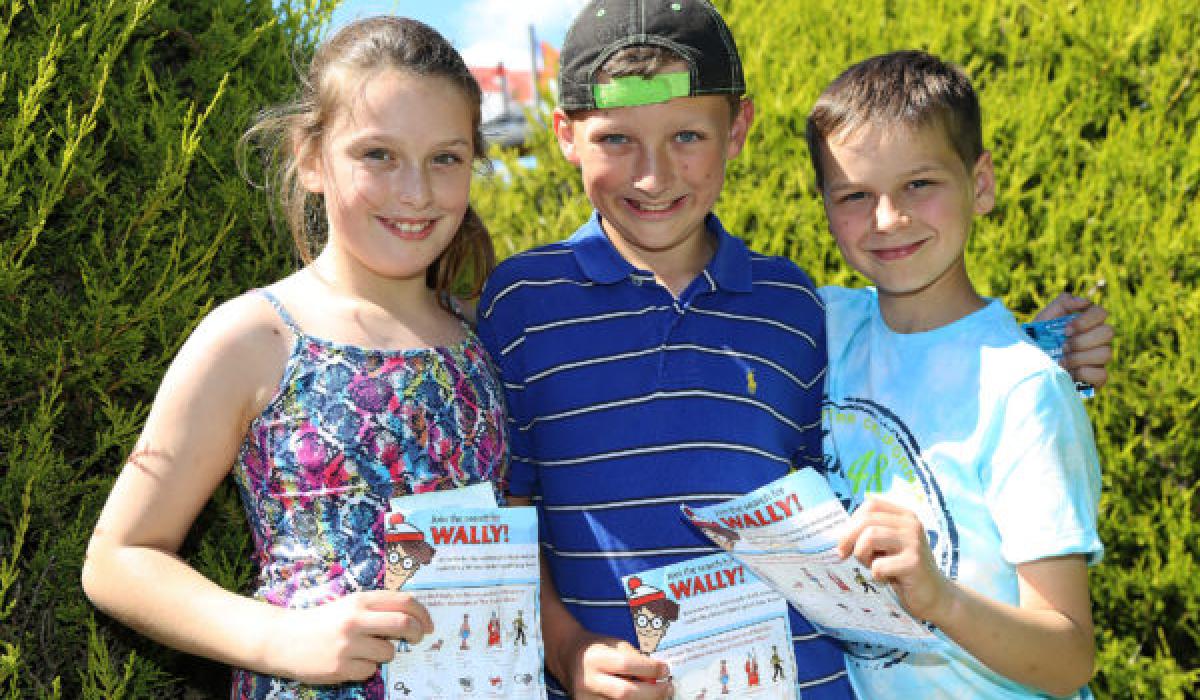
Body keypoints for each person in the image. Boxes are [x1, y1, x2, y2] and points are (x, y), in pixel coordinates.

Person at [475, 2, 1112, 699]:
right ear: (565, 135)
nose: (652, 175)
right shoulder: (523, 302)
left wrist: (1038, 350)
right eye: (616, 139)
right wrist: (566, 652)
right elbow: (504, 510)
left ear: (738, 128)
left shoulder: (794, 308)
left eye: (687, 134)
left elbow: (944, 341)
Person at [81, 17, 507, 699]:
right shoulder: (254, 336)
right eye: (378, 155)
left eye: (445, 158)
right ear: (312, 158)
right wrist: (281, 638)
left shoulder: (484, 334)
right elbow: (117, 558)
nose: (416, 191)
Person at [807, 51, 1104, 698]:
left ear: (982, 183)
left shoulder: (1024, 391)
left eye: (920, 184)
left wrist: (939, 598)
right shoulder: (823, 325)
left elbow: (1070, 658)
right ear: (826, 208)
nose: (887, 219)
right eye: (855, 195)